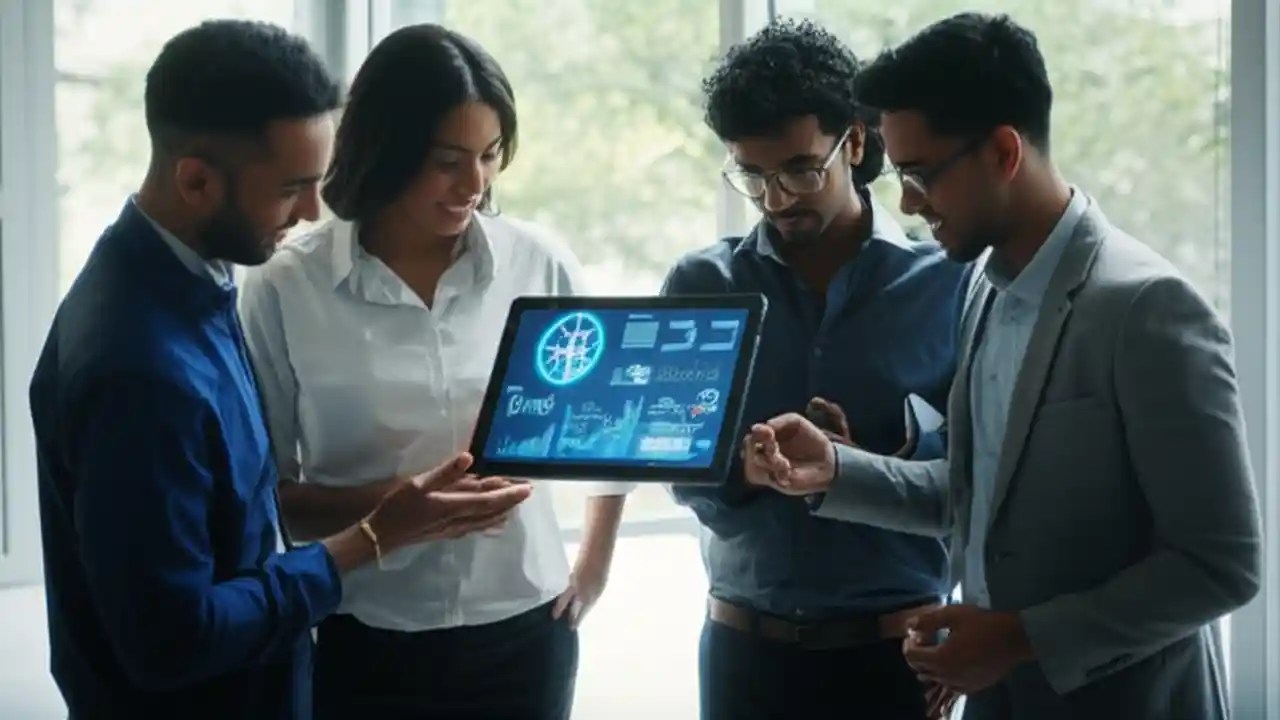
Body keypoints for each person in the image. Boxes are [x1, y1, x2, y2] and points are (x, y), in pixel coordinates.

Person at [742, 12, 1262, 720]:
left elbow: (1221, 567)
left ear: (1004, 152)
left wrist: (1020, 639)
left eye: (920, 174)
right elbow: (973, 496)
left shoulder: (1148, 309)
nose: (906, 203)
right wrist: (836, 470)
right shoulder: (981, 288)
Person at [28, 20, 532, 720]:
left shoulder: (191, 283)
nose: (313, 210)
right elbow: (173, 640)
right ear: (197, 181)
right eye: (292, 187)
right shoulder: (138, 368)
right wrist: (371, 538)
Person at [237, 23, 630, 720]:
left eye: (490, 155)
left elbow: (609, 424)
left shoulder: (537, 263)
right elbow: (270, 495)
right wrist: (399, 509)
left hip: (526, 629)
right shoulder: (284, 285)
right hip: (364, 635)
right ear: (386, 150)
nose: (474, 183)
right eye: (448, 161)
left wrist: (593, 566)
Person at [660, 19, 972, 720]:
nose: (776, 199)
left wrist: (864, 467)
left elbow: (983, 484)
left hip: (900, 655)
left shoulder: (951, 284)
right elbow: (678, 467)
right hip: (744, 653)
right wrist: (746, 470)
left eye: (801, 170)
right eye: (752, 175)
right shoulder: (702, 285)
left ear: (855, 142)